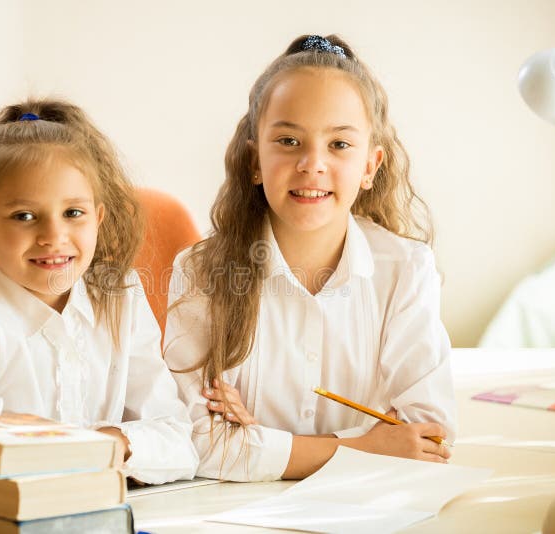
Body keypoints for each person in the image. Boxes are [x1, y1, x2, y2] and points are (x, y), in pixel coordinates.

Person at [165, 34, 455, 481]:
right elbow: (197, 443)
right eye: (287, 141)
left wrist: (265, 447)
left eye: (339, 145)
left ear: (369, 167)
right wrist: (365, 447)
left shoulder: (406, 269)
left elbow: (429, 438)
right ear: (254, 161)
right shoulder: (200, 272)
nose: (311, 164)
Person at [0, 99, 198, 484]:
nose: (54, 237)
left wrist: (118, 442)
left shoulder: (122, 297)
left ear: (98, 218)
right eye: (24, 216)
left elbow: (180, 443)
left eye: (73, 213)